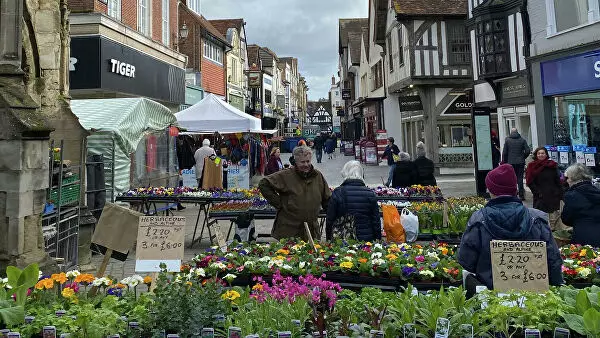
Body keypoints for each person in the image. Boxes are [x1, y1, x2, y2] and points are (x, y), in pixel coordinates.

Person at [457, 164, 564, 290]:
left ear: (491, 190)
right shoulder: (537, 219)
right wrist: (557, 286)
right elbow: (553, 260)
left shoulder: (479, 220)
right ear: (515, 190)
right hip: (533, 293)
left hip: (491, 293)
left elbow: (466, 261)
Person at [258, 145, 331, 240]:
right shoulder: (286, 175)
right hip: (289, 229)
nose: (306, 164)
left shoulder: (317, 176)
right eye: (302, 162)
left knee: (311, 254)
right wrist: (279, 203)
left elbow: (327, 198)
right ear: (296, 162)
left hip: (311, 230)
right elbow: (264, 184)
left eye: (308, 161)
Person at [326, 161, 381, 241]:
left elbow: (330, 219)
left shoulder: (338, 192)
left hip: (343, 238)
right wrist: (377, 238)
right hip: (366, 239)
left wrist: (328, 238)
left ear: (345, 173)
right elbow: (376, 221)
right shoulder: (370, 194)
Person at [561, 163, 600, 247]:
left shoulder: (572, 195)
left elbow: (566, 219)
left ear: (572, 178)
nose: (566, 180)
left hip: (582, 237)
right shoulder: (597, 191)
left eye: (567, 178)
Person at [525, 147, 564, 230]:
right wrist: (537, 192)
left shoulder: (552, 165)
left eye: (543, 153)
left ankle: (554, 234)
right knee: (540, 217)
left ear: (546, 154)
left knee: (554, 218)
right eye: (539, 153)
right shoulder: (532, 166)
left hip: (553, 195)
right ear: (536, 155)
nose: (541, 155)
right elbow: (529, 181)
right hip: (540, 196)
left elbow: (557, 180)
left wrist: (560, 192)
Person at [502, 128, 530, 200]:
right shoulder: (522, 140)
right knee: (520, 178)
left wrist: (504, 161)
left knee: (511, 178)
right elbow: (527, 150)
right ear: (518, 132)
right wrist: (523, 157)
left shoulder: (507, 140)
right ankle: (521, 195)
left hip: (510, 162)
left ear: (511, 132)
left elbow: (504, 152)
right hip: (520, 162)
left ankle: (513, 194)